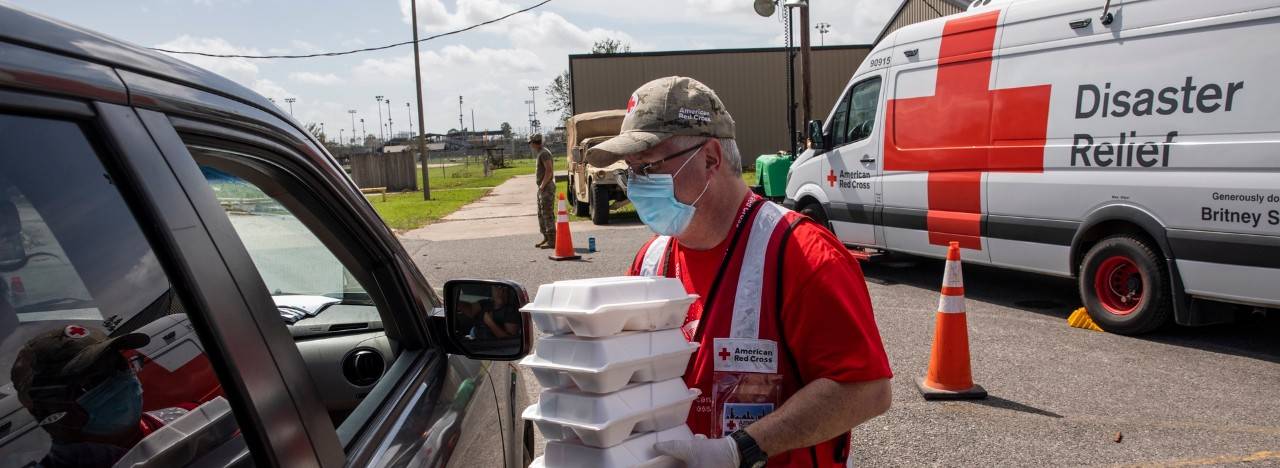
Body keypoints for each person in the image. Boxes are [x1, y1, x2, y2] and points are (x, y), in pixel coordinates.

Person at [585, 76, 893, 468]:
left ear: (711, 158)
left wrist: (738, 450)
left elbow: (865, 389)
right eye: (631, 172)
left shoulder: (802, 254)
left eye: (648, 167)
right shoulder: (650, 260)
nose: (635, 187)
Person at [11, 325, 158, 468]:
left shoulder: (175, 420)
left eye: (120, 366)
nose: (117, 380)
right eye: (93, 381)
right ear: (48, 408)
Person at [531, 133, 556, 249]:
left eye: (531, 143)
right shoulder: (541, 152)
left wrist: (542, 186)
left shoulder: (544, 153)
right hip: (542, 187)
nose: (530, 145)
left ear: (534, 143)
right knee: (541, 213)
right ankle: (546, 237)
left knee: (547, 214)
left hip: (546, 187)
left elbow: (549, 171)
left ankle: (552, 241)